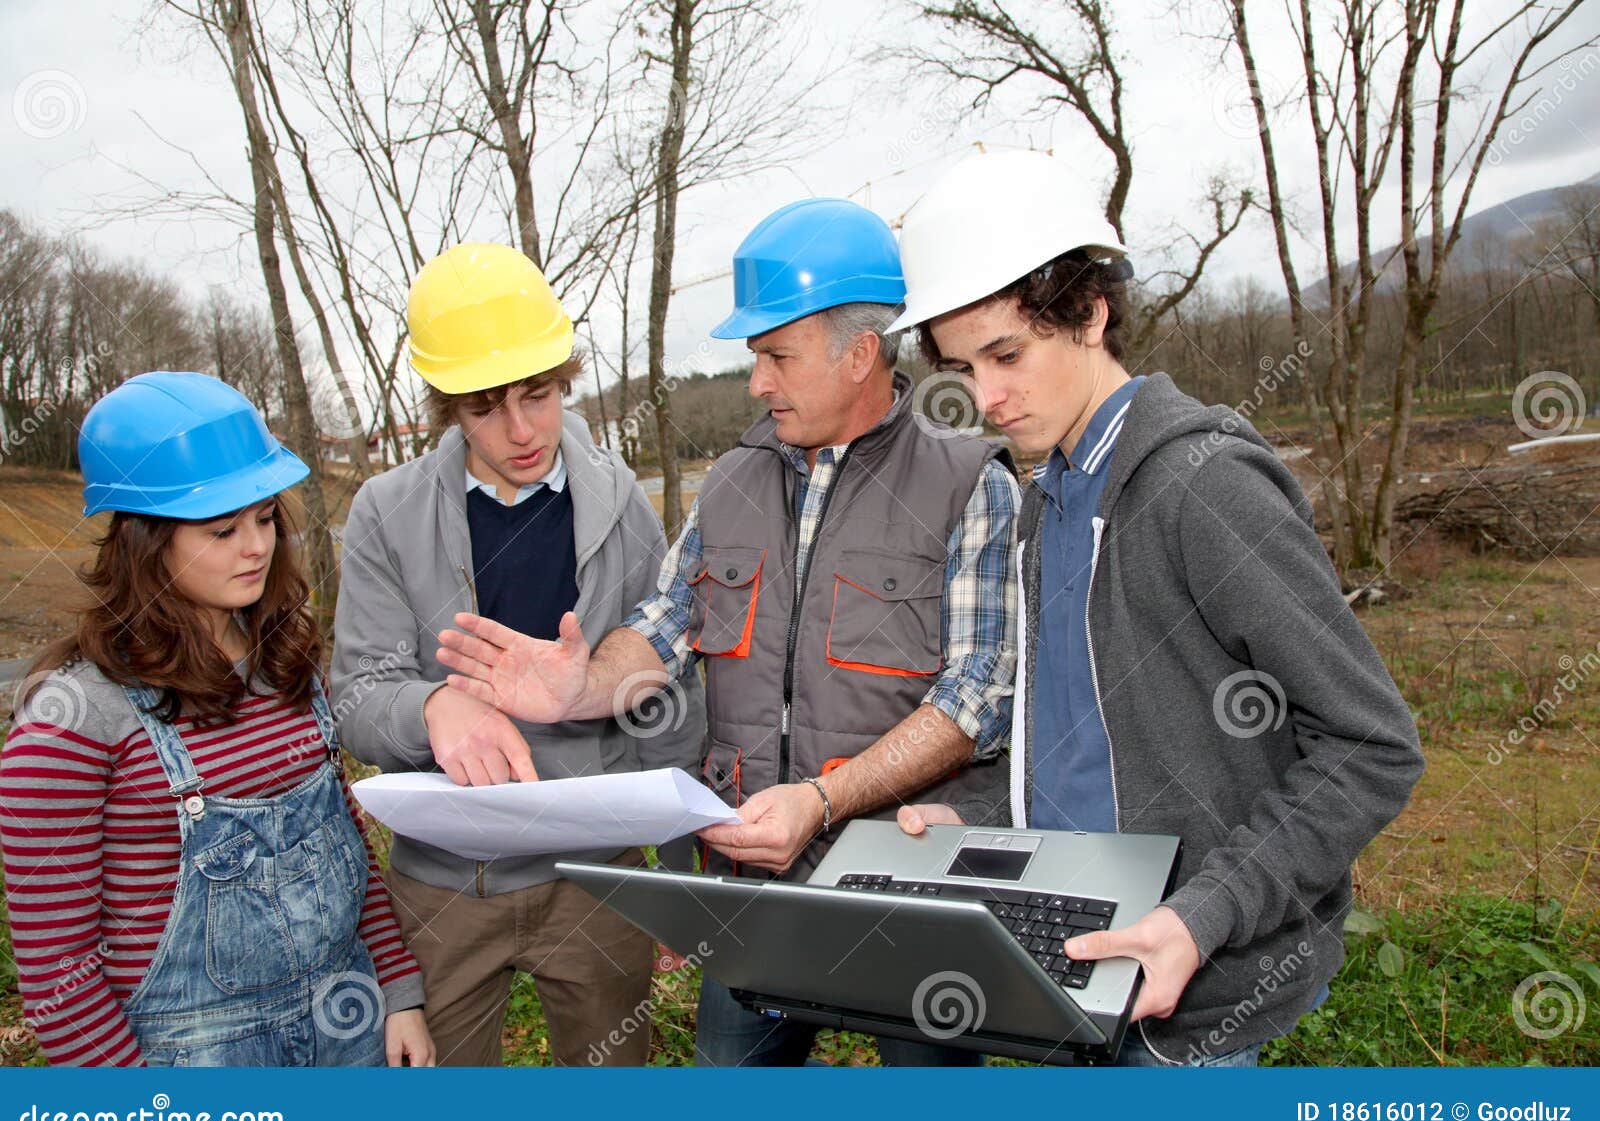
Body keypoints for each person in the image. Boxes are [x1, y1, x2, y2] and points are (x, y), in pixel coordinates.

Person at [434, 199, 1020, 1067]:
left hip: (905, 885)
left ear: (860, 353)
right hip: (755, 894)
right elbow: (665, 625)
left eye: (776, 357)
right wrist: (583, 686)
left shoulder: (970, 483)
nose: (757, 383)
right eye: (754, 359)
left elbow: (977, 698)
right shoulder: (732, 483)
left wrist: (823, 801)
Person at [889, 150, 1426, 1066]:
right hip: (1079, 963)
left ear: (1091, 313)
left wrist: (1201, 914)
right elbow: (1082, 721)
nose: (985, 398)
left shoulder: (1201, 486)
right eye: (960, 366)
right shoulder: (1044, 494)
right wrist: (979, 805)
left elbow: (1371, 746)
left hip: (1193, 1003)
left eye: (1007, 354)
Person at [330, 242, 704, 1067]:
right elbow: (356, 695)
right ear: (446, 407)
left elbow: (666, 692)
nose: (522, 429)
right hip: (446, 883)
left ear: (564, 377)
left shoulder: (622, 510)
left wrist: (678, 874)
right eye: (485, 407)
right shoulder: (386, 515)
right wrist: (433, 706)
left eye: (538, 395)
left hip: (599, 874)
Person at [0, 372, 433, 1067]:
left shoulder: (287, 664)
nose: (257, 546)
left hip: (351, 1028)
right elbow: (59, 970)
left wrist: (400, 990)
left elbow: (347, 846)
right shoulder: (72, 722)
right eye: (223, 528)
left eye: (265, 518)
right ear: (147, 542)